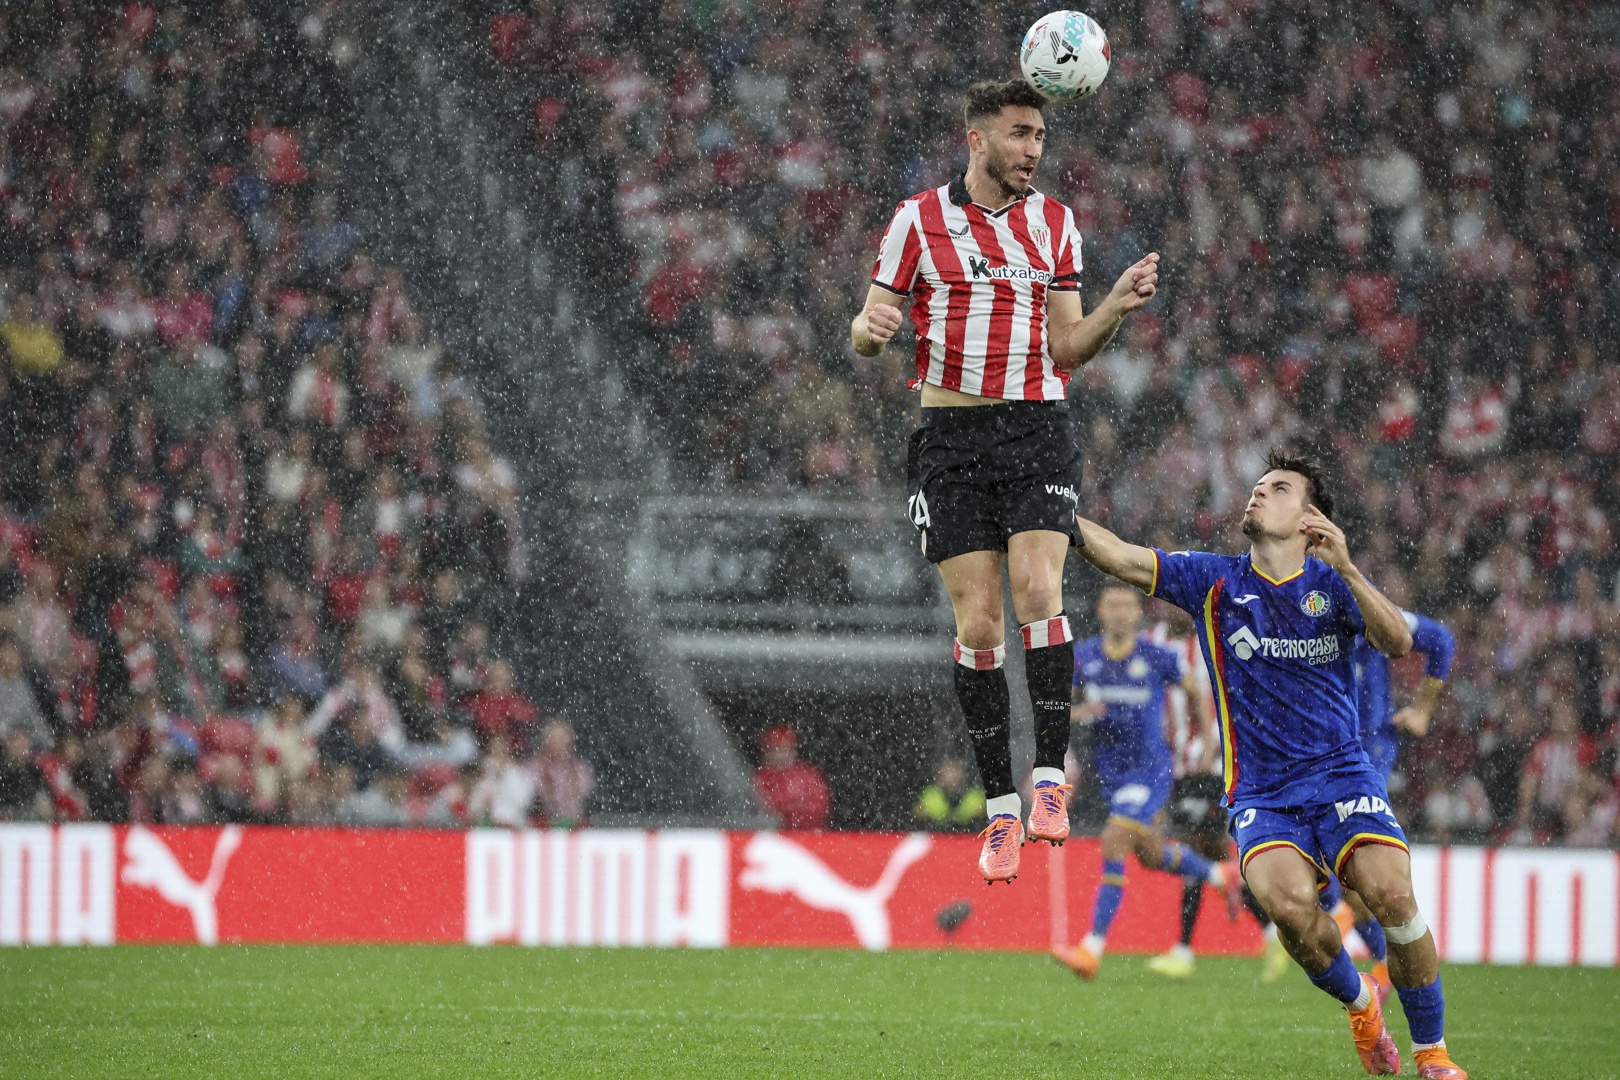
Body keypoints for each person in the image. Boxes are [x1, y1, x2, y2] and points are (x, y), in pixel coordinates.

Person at [1068, 448, 1465, 1080]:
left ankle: (1434, 1053)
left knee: (1390, 893)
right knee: (1291, 915)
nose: (1257, 493)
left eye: (1277, 488)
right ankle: (1363, 1005)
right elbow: (1116, 553)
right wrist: (1049, 506)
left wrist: (1352, 570)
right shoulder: (1214, 580)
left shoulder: (1334, 585)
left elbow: (1397, 642)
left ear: (1309, 520)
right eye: (1257, 486)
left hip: (1343, 775)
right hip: (1262, 791)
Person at [850, 79, 1160, 883]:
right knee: (981, 624)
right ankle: (1000, 812)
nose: (1032, 150)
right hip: (949, 435)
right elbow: (867, 327)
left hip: (1035, 427)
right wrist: (869, 330)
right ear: (977, 138)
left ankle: (1048, 782)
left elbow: (1066, 348)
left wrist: (1117, 308)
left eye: (1040, 138)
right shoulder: (917, 221)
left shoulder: (1055, 225)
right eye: (1020, 134)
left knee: (1037, 590)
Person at [1055, 583, 1237, 980]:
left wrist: (1207, 742)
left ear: (1139, 614)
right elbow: (1059, 710)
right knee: (1151, 854)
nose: (1120, 612)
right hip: (1111, 774)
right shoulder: (1084, 658)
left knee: (1114, 840)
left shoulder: (1157, 656)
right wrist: (1083, 710)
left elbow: (1197, 694)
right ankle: (1217, 874)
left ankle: (1092, 948)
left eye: (1128, 606)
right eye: (1113, 605)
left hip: (1151, 770)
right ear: (1100, 611)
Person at [1143, 605, 1244, 979]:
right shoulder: (1151, 642)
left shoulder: (1211, 640)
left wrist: (1215, 744)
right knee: (1209, 852)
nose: (1171, 606)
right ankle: (1271, 929)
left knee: (1194, 848)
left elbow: (1226, 692)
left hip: (1206, 763)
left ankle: (1184, 949)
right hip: (1167, 765)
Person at [753, 726, 830, 829]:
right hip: (773, 836)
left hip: (808, 836)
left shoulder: (808, 775)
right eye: (773, 750)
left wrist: (788, 808)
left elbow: (820, 807)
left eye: (782, 749)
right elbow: (760, 808)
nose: (778, 755)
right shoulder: (761, 777)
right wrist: (793, 805)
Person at [914, 755, 985, 832]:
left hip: (971, 839)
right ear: (940, 773)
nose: (953, 775)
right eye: (948, 770)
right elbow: (916, 824)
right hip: (936, 839)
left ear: (963, 772)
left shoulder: (976, 796)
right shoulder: (928, 795)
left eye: (956, 770)